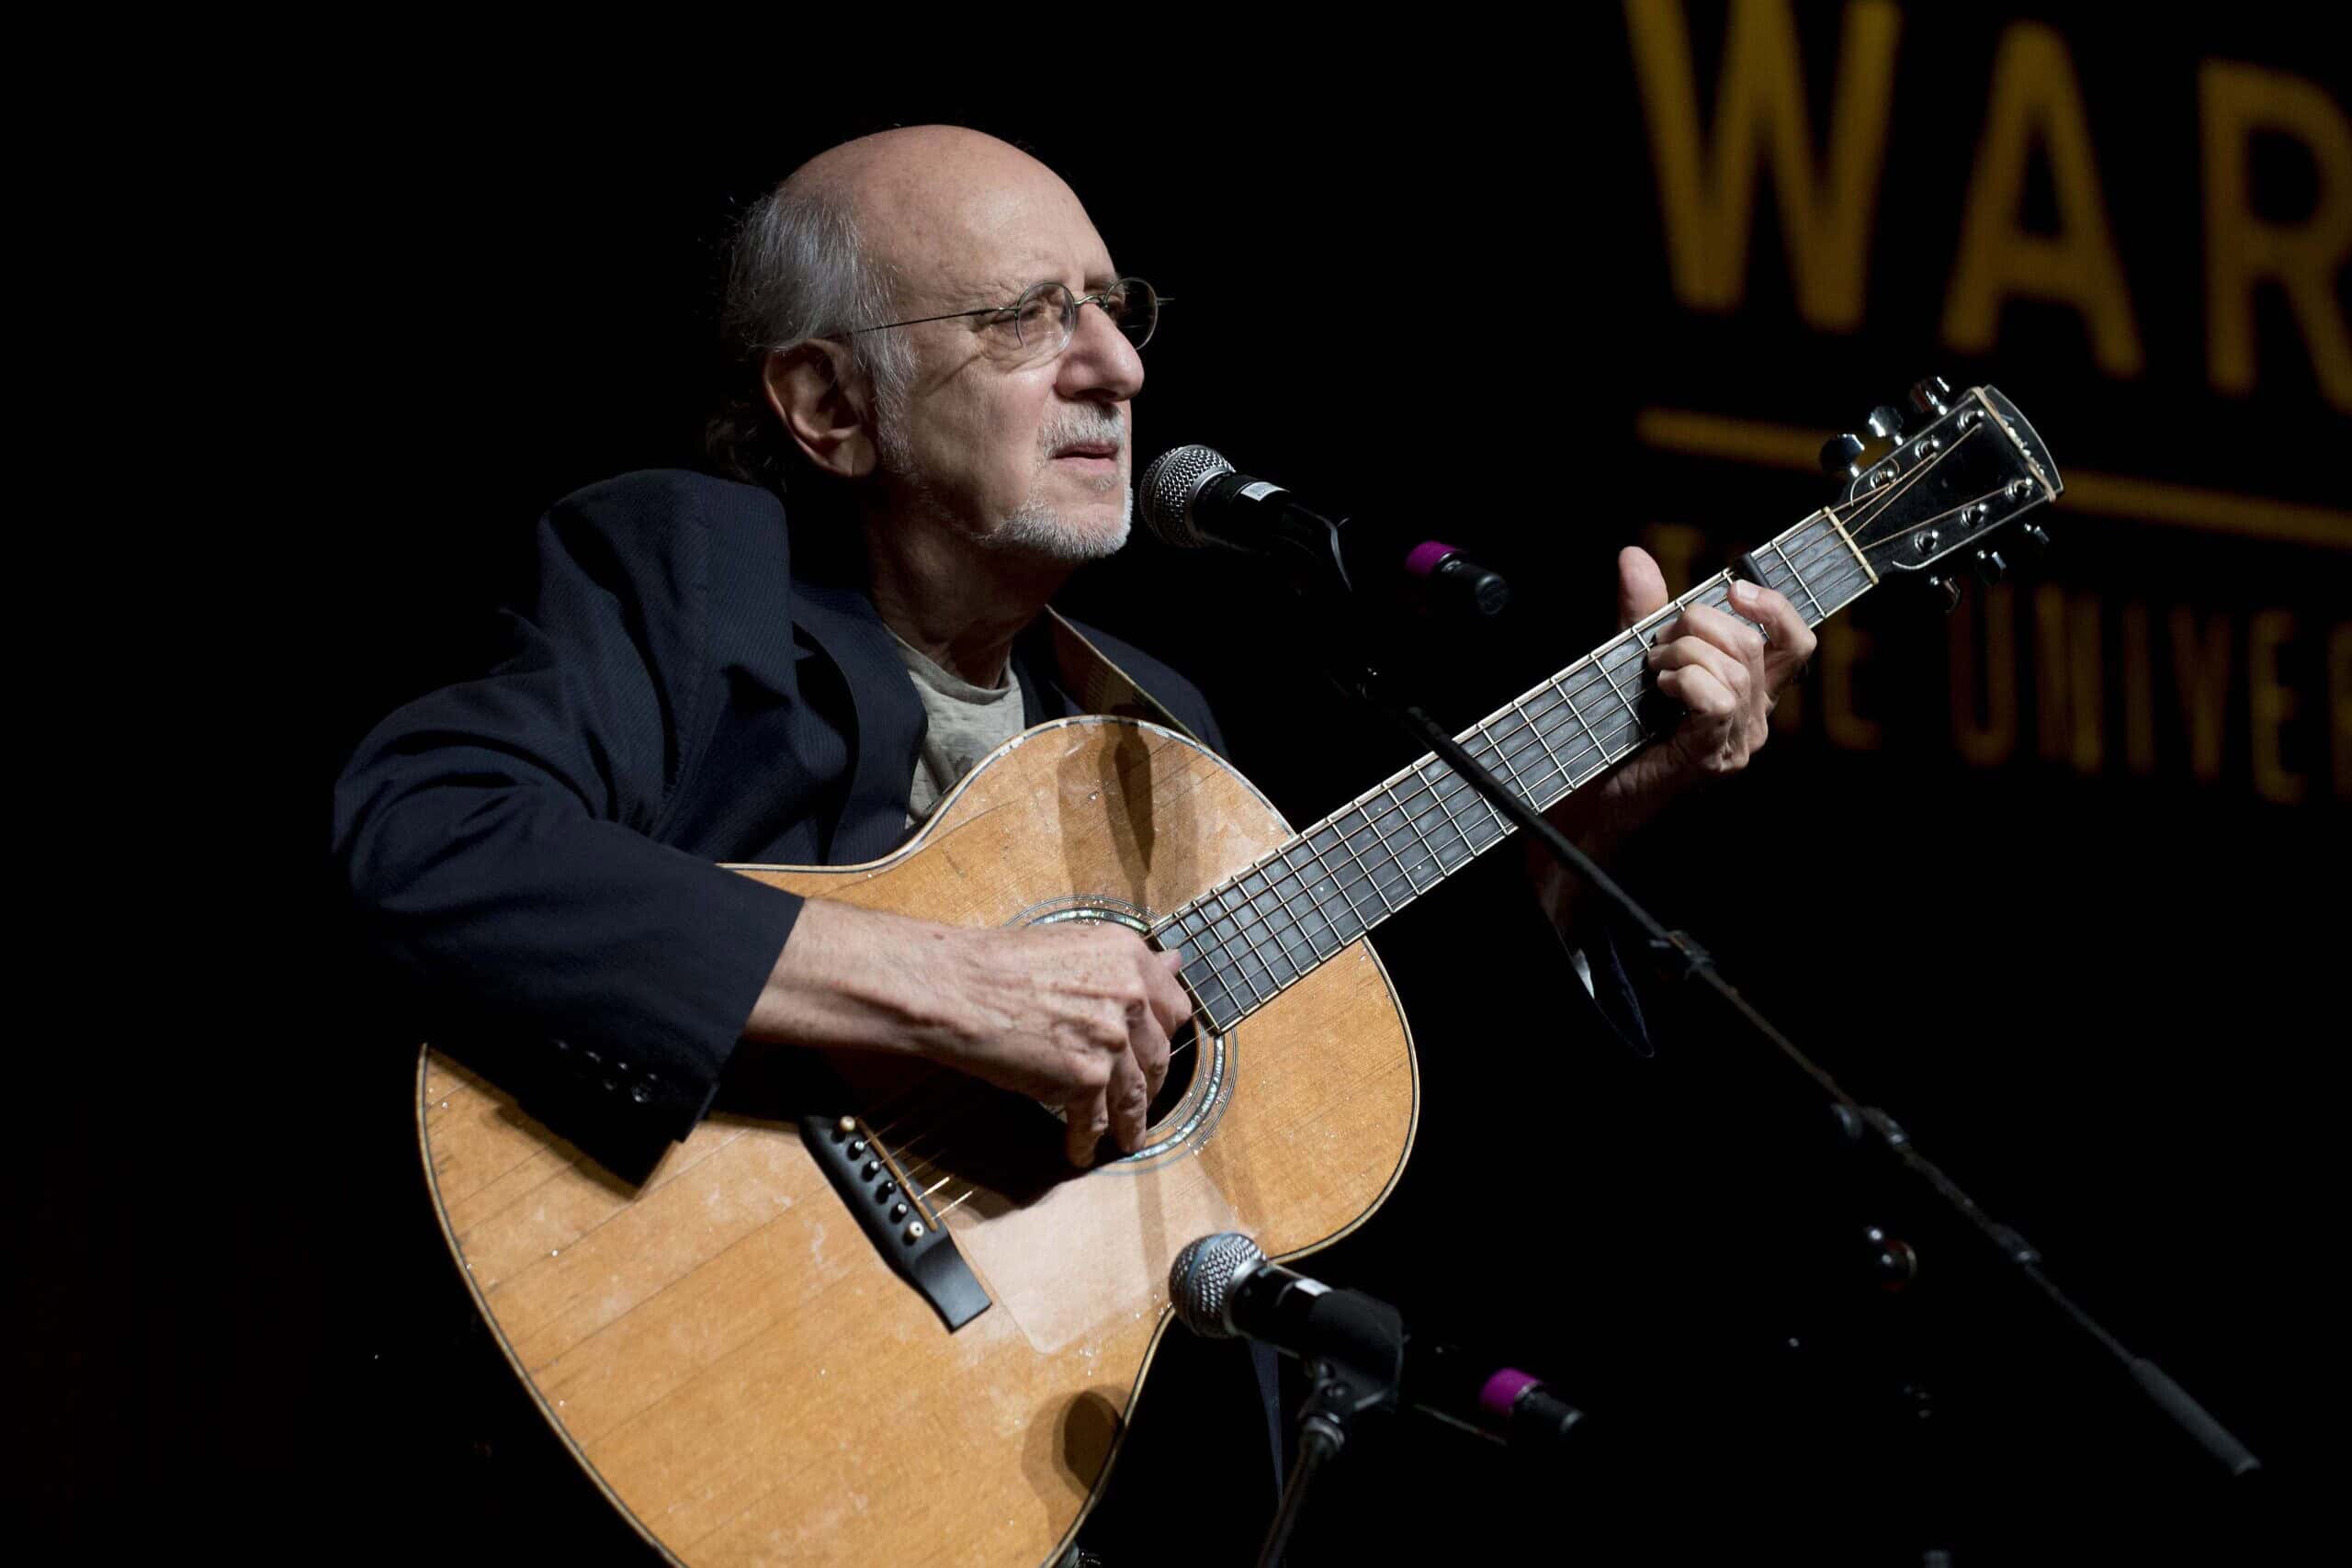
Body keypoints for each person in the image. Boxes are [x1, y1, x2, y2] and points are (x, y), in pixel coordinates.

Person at [331, 123, 1816, 1555]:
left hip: (1024, 1464)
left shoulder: (1149, 728)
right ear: (828, 405)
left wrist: (1593, 820)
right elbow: (430, 839)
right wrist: (953, 989)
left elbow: (1347, 1097)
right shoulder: (684, 569)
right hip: (650, 1363)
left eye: (1117, 309)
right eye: (1026, 318)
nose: (1116, 365)